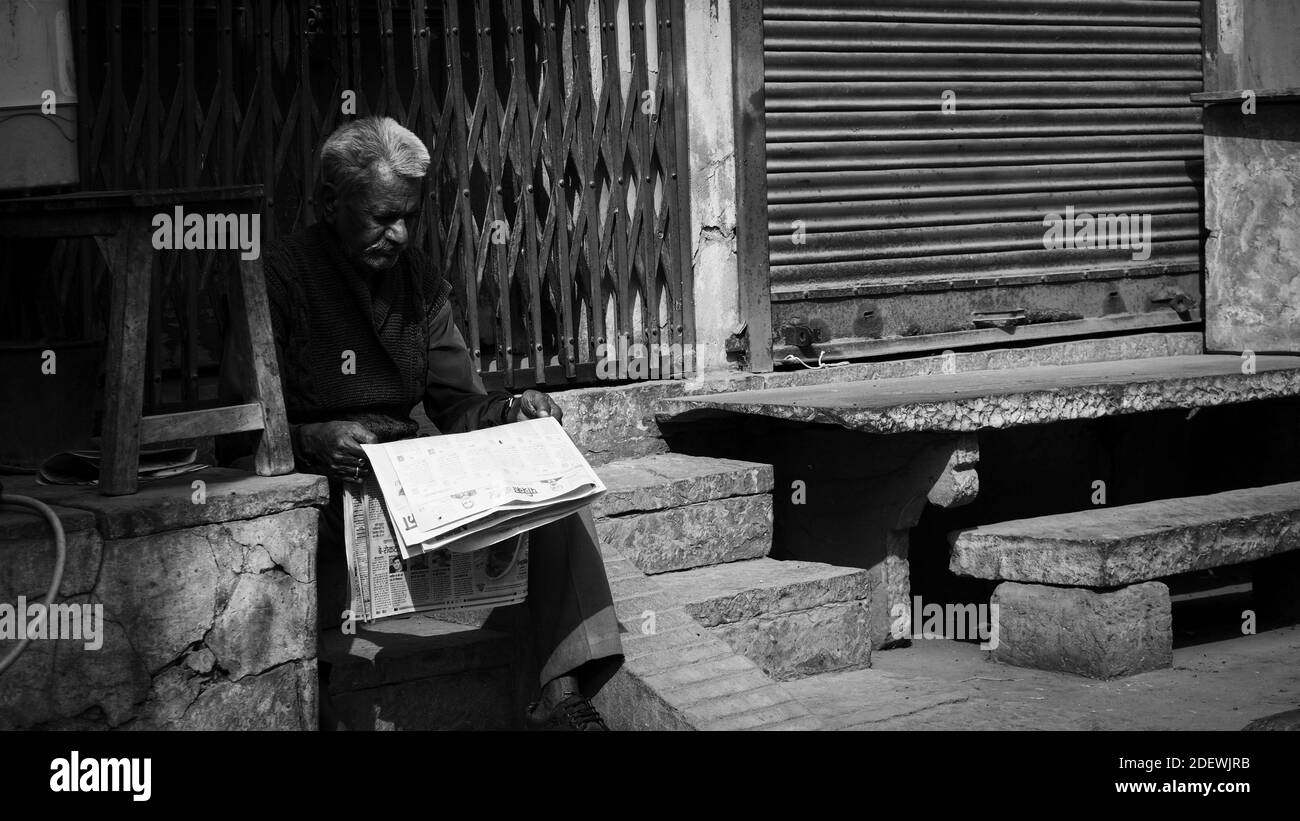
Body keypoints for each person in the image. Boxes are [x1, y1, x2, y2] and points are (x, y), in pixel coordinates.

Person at [220, 116, 623, 731]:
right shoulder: (277, 277)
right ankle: (314, 704)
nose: (401, 233)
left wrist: (512, 411)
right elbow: (236, 436)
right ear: (332, 202)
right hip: (323, 479)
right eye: (384, 217)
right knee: (293, 526)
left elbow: (458, 404)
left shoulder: (420, 281)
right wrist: (309, 440)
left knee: (559, 492)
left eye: (408, 215)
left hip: (411, 473)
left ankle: (561, 693)